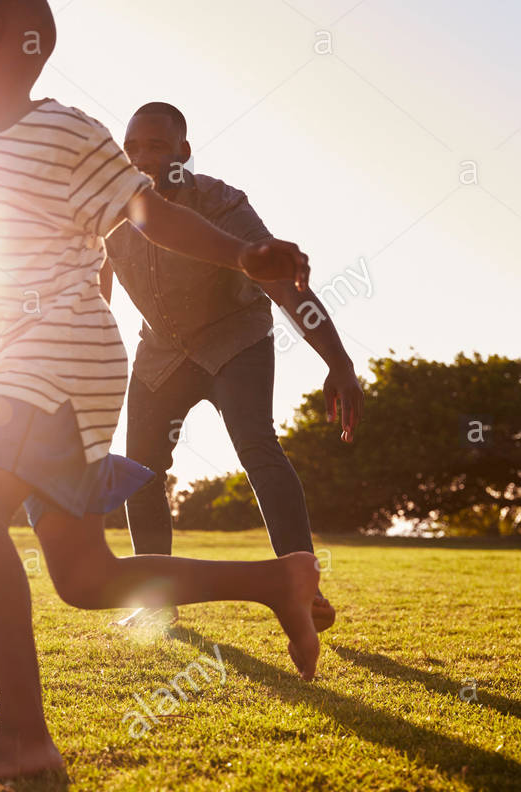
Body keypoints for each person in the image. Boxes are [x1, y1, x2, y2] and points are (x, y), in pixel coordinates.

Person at [0, 0, 322, 781]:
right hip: (28, 358)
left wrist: (245, 255)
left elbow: (148, 214)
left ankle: (23, 741)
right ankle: (274, 581)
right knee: (86, 579)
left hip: (59, 349)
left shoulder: (65, 131)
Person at [101, 102, 364, 631]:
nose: (140, 157)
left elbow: (283, 284)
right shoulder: (111, 207)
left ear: (183, 152)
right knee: (140, 470)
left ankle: (303, 588)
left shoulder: (222, 203)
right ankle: (157, 599)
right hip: (161, 352)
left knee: (257, 446)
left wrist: (339, 361)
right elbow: (96, 286)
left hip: (234, 340)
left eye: (155, 145)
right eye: (131, 147)